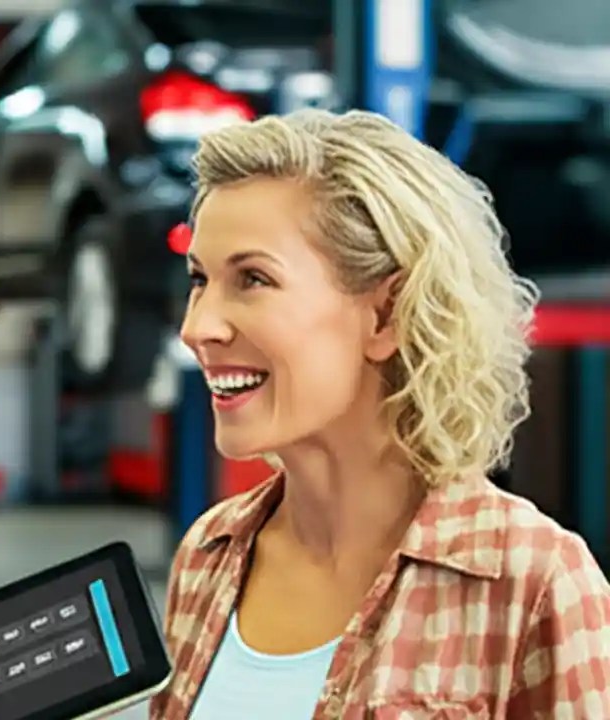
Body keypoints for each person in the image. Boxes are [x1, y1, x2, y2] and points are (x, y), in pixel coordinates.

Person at [148, 109, 610, 719]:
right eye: (200, 279)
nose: (197, 327)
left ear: (388, 314)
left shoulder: (533, 581)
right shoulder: (208, 555)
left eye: (253, 279)